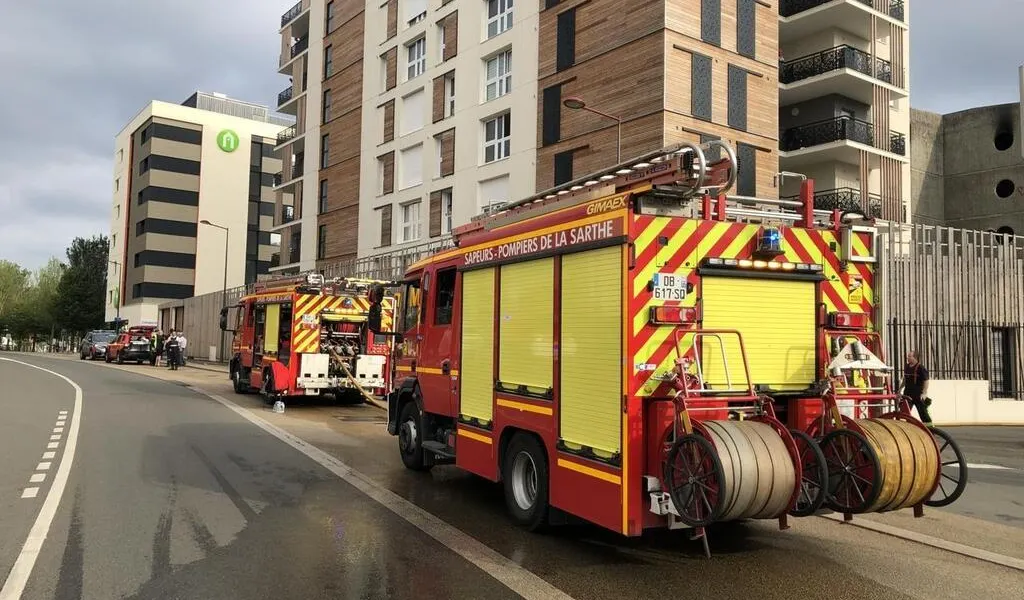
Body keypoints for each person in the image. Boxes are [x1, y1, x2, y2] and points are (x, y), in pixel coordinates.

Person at [901, 351, 932, 426]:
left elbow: (926, 381)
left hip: (917, 394)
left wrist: (924, 393)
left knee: (923, 413)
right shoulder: (907, 367)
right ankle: (904, 427)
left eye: (909, 356)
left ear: (915, 358)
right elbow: (905, 379)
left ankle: (930, 429)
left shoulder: (921, 368)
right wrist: (900, 388)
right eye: (908, 356)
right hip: (907, 394)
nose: (907, 358)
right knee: (904, 412)